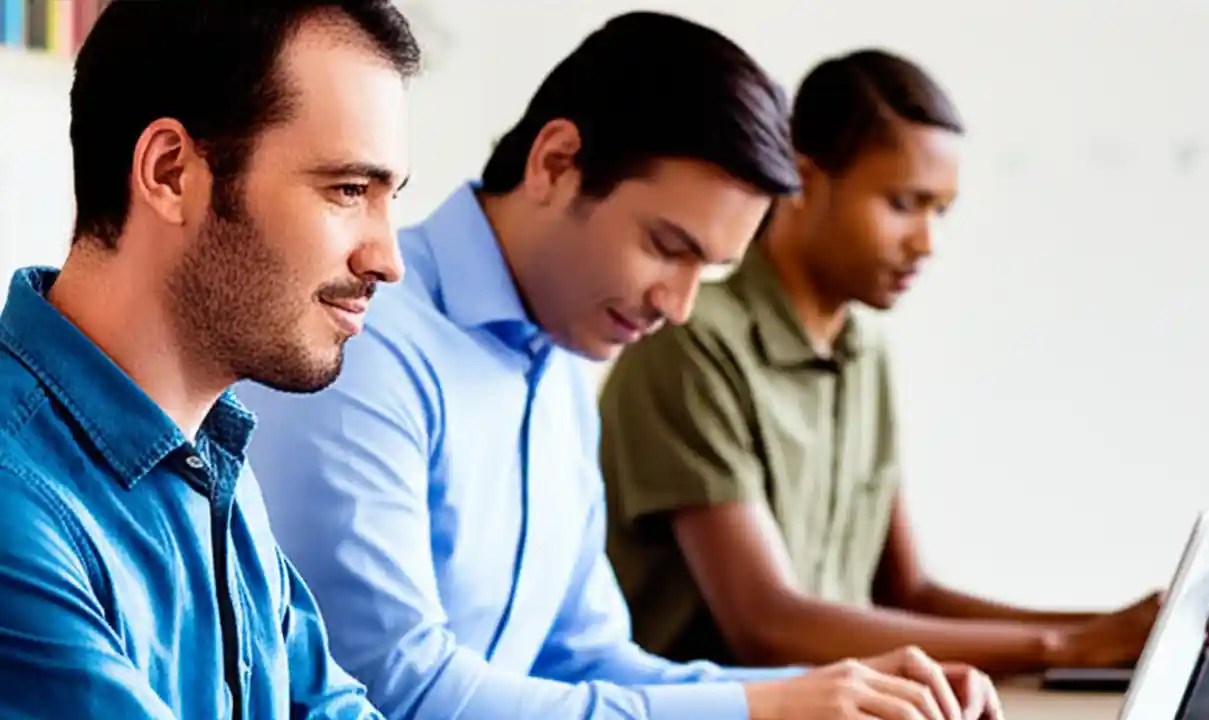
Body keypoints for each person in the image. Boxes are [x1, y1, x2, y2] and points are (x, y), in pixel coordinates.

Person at [239, 13, 1003, 720]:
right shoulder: (363, 341)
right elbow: (397, 692)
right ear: (556, 163)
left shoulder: (561, 362)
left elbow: (587, 658)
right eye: (668, 247)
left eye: (709, 268)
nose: (679, 304)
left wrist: (851, 691)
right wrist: (764, 709)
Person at [597, 48, 1171, 678]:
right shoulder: (691, 342)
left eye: (940, 211)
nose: (927, 242)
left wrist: (1122, 634)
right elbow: (769, 627)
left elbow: (908, 594)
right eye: (902, 203)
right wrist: (1066, 647)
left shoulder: (863, 350)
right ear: (802, 182)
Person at [0, 1, 420, 717]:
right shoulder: (19, 501)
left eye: (389, 198)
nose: (388, 260)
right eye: (348, 190)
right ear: (170, 172)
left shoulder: (212, 460)